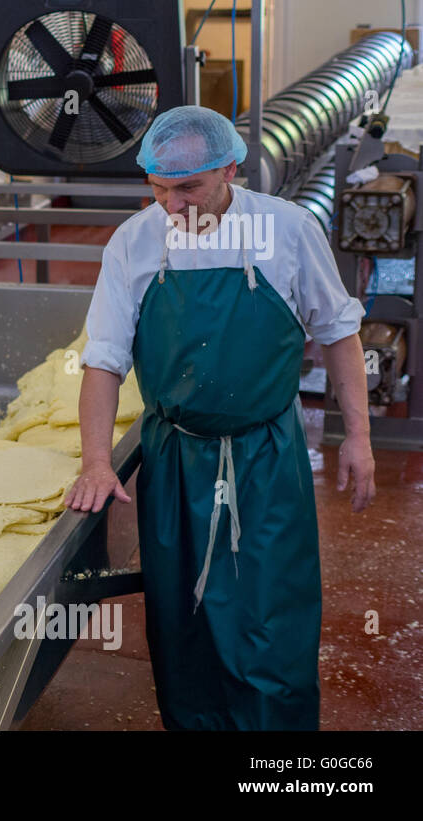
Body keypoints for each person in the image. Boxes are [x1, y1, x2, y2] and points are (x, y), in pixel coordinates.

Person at [64, 105, 376, 730]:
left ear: (230, 169)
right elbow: (101, 360)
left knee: (270, 621)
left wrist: (359, 438)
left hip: (264, 460)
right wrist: (96, 459)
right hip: (176, 459)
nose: (173, 206)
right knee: (183, 626)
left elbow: (340, 332)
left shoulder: (286, 230)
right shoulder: (135, 242)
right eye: (158, 190)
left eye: (189, 188)